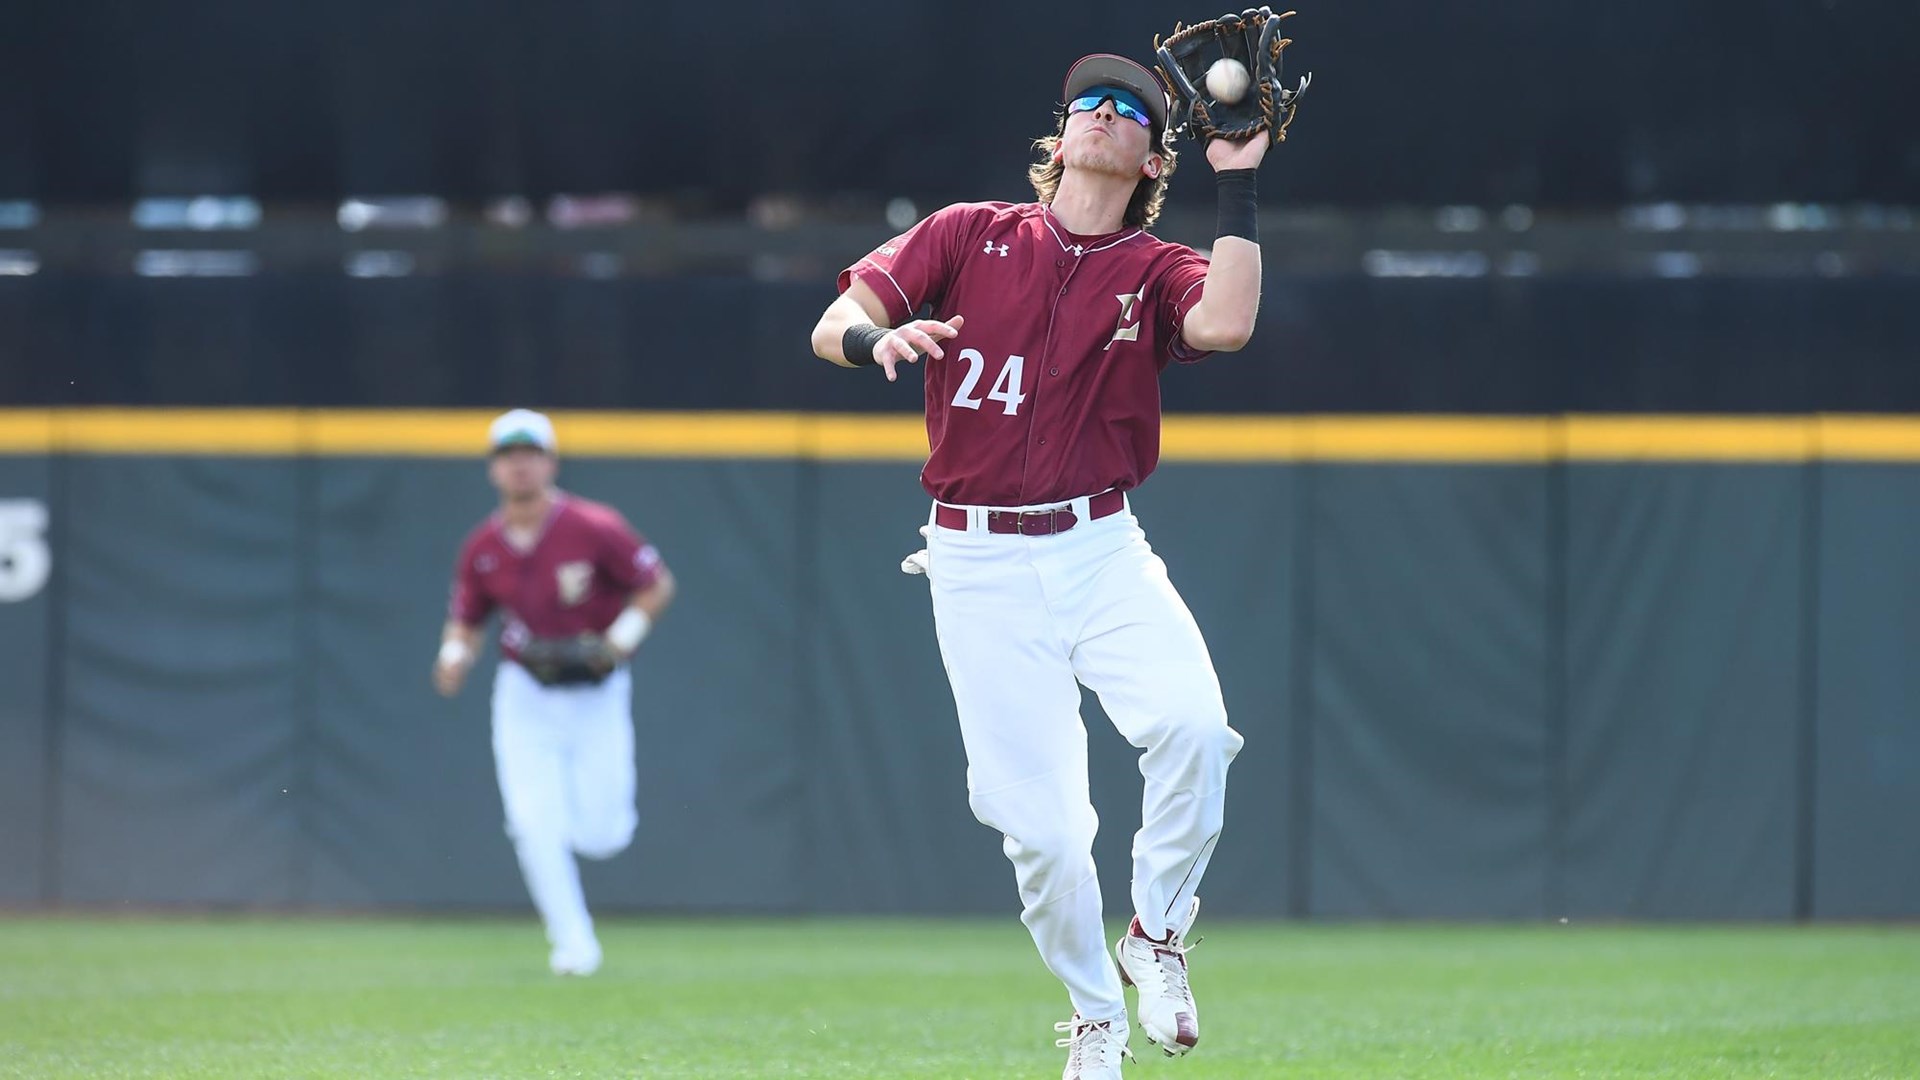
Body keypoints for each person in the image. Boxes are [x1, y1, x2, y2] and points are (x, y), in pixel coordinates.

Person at [810, 49, 1265, 1080]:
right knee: (1046, 836)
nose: (1105, 113)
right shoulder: (967, 233)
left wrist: (1239, 178)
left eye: (1130, 109)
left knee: (1196, 731)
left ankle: (1154, 934)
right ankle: (1095, 1015)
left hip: (1099, 545)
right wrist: (871, 341)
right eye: (1087, 103)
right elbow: (837, 318)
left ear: (1153, 157)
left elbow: (1228, 323)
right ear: (1057, 138)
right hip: (975, 566)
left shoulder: (1155, 270)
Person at [431, 408, 675, 976]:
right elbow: (466, 618)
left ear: (550, 461)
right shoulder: (482, 546)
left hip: (596, 686)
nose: (520, 465)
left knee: (603, 834)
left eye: (530, 453)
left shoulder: (593, 526)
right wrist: (453, 657)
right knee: (530, 823)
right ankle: (574, 945)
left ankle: (566, 828)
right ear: (494, 469)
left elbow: (655, 585)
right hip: (526, 689)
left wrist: (617, 641)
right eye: (508, 456)